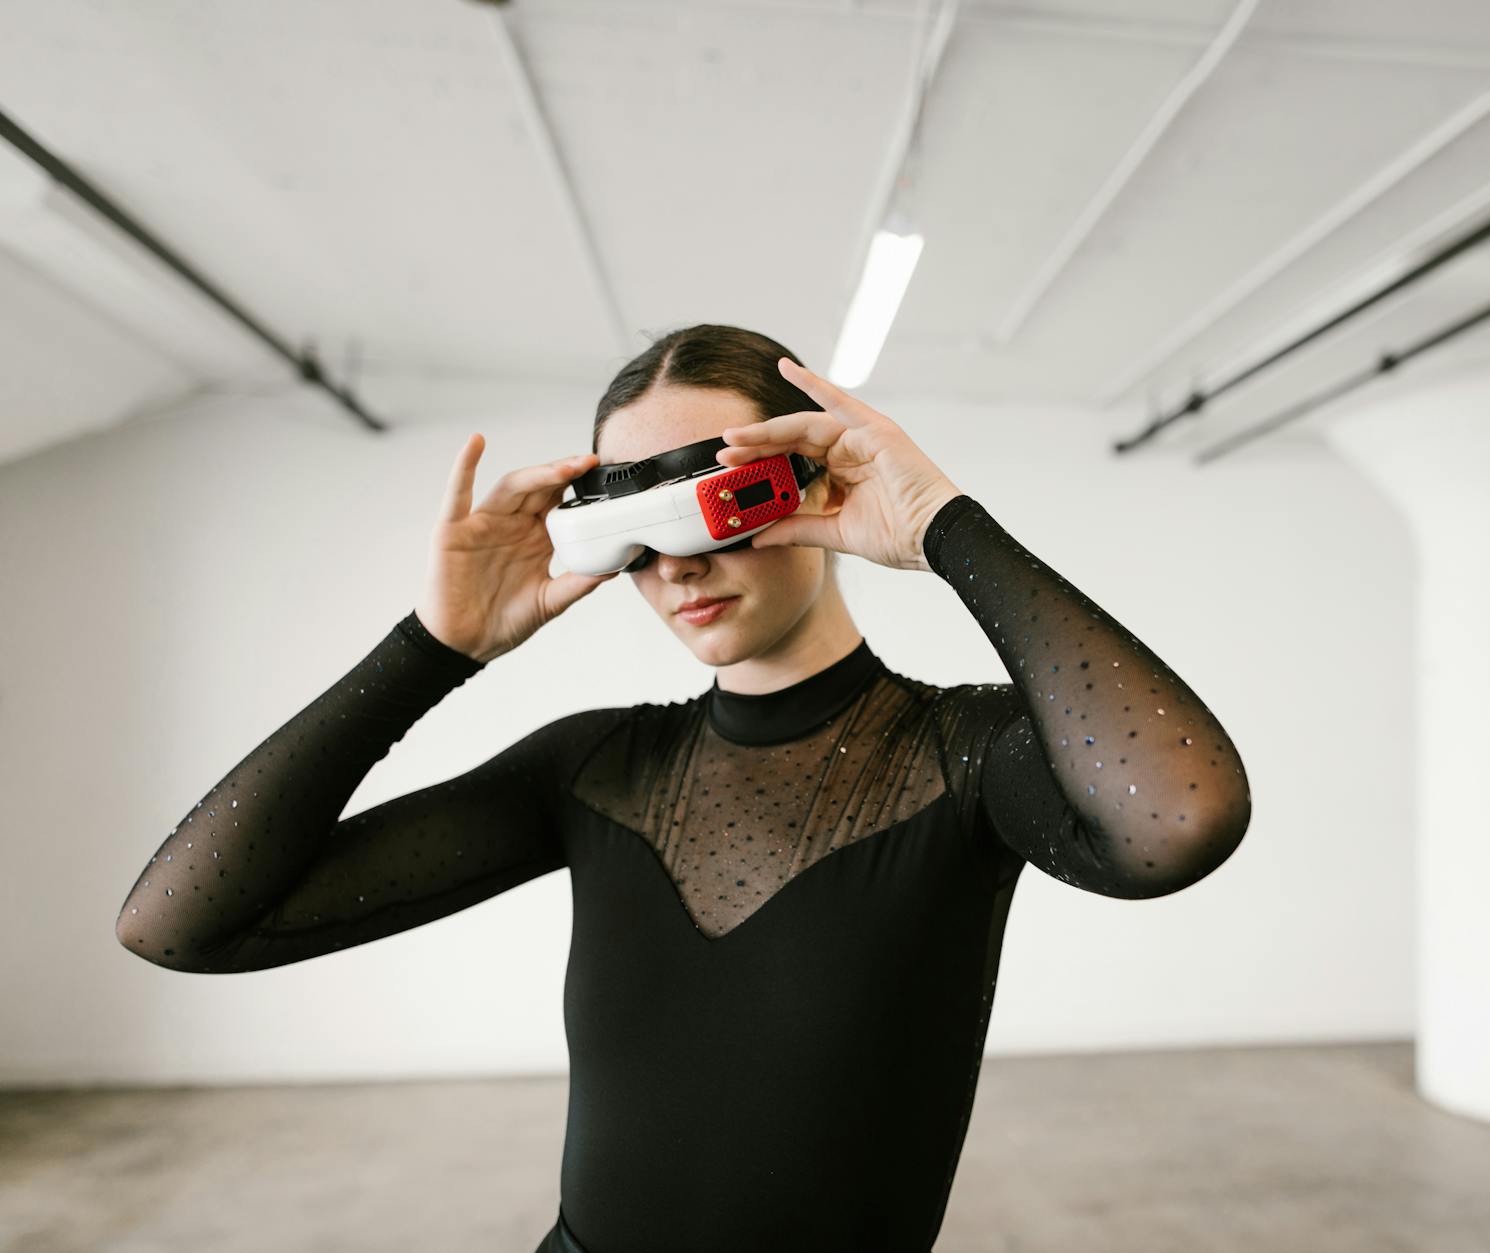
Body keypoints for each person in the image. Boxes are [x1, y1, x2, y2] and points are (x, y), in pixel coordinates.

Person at [114, 324, 1254, 1253]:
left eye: (715, 500)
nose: (677, 562)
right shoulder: (592, 767)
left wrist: (938, 524)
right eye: (631, 524)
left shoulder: (963, 750)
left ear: (811, 478)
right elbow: (180, 922)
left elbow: (1179, 814)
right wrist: (431, 645)